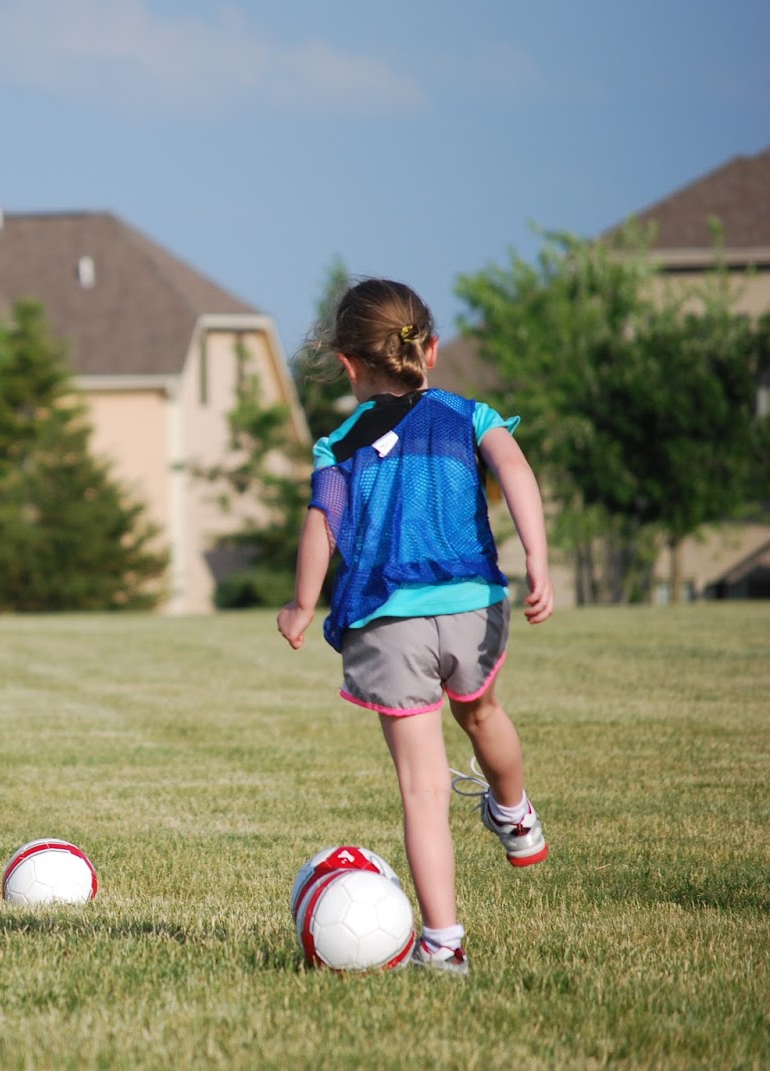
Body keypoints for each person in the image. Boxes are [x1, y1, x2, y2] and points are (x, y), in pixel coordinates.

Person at [276, 278, 555, 976]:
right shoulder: (468, 414)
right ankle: (515, 813)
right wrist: (538, 561)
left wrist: (302, 602)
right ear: (429, 347)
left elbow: (322, 524)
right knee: (483, 709)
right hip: (471, 605)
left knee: (422, 788)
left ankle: (444, 943)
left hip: (386, 618)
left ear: (346, 364)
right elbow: (516, 471)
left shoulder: (338, 445)